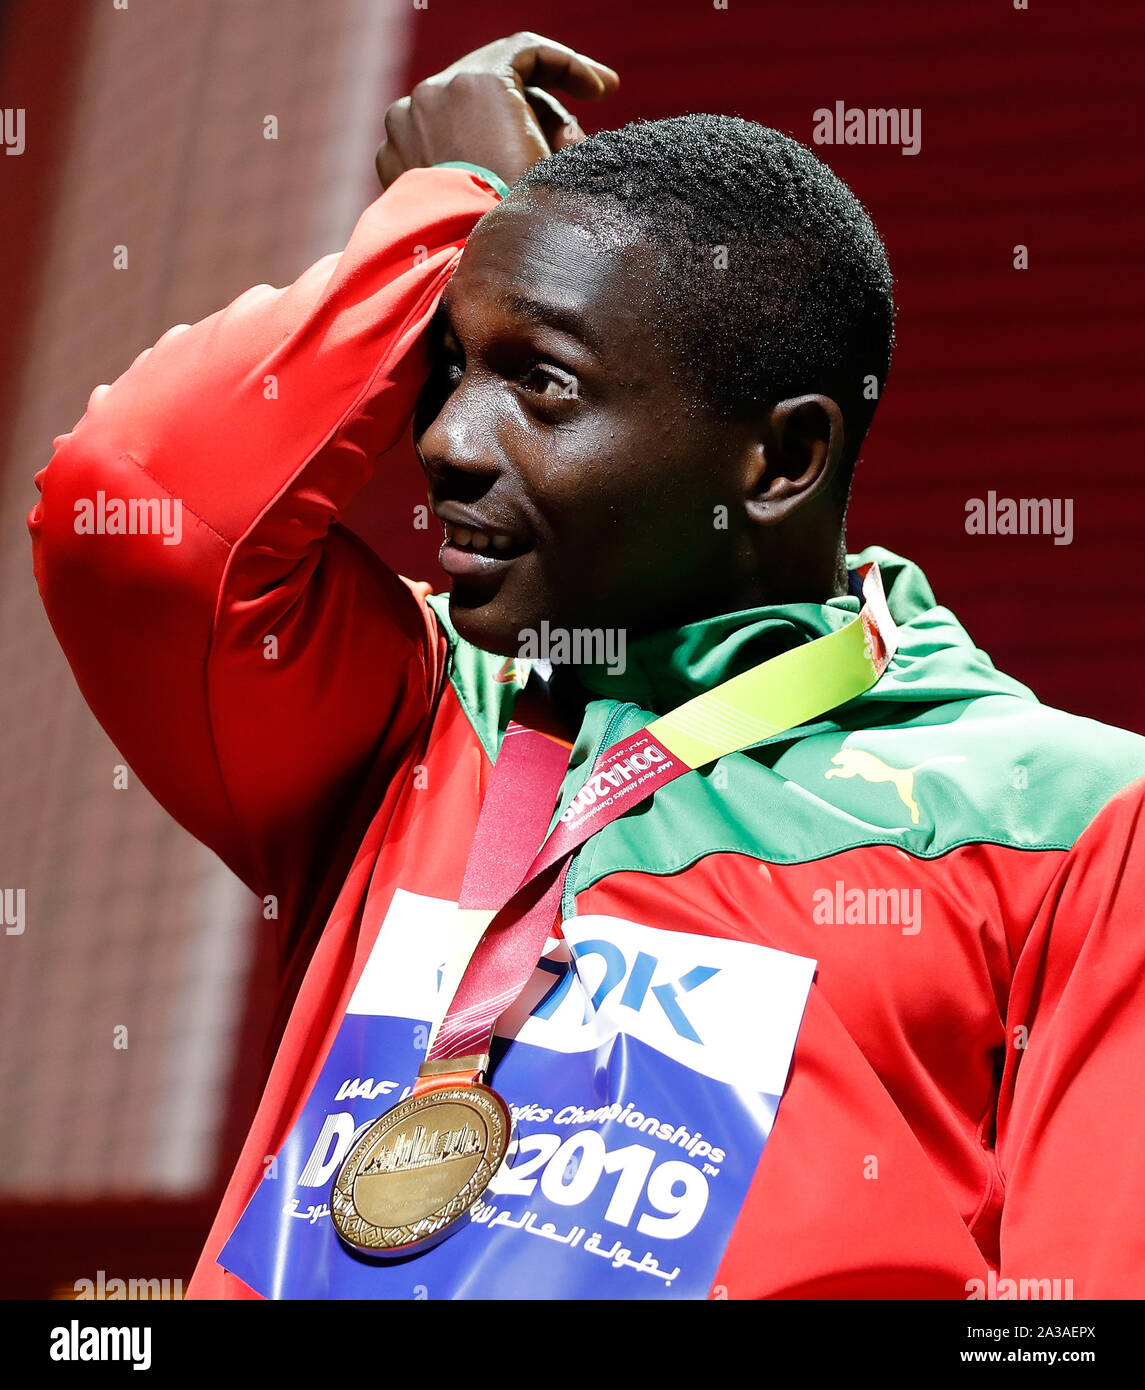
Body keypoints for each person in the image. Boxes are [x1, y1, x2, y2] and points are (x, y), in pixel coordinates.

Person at [29, 32, 1145, 1300]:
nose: (445, 440)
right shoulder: (411, 714)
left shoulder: (1076, 822)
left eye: (539, 383)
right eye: (443, 370)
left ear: (777, 463)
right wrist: (446, 206)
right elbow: (138, 509)